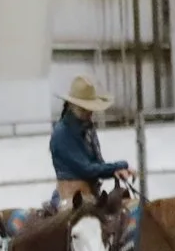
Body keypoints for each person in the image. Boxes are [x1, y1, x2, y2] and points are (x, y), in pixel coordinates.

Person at [51, 76, 135, 205]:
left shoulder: (87, 129)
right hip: (70, 197)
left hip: (90, 192)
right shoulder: (62, 133)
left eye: (89, 108)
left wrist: (115, 171)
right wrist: (119, 166)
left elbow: (97, 164)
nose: (89, 112)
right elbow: (86, 169)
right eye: (84, 108)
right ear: (71, 106)